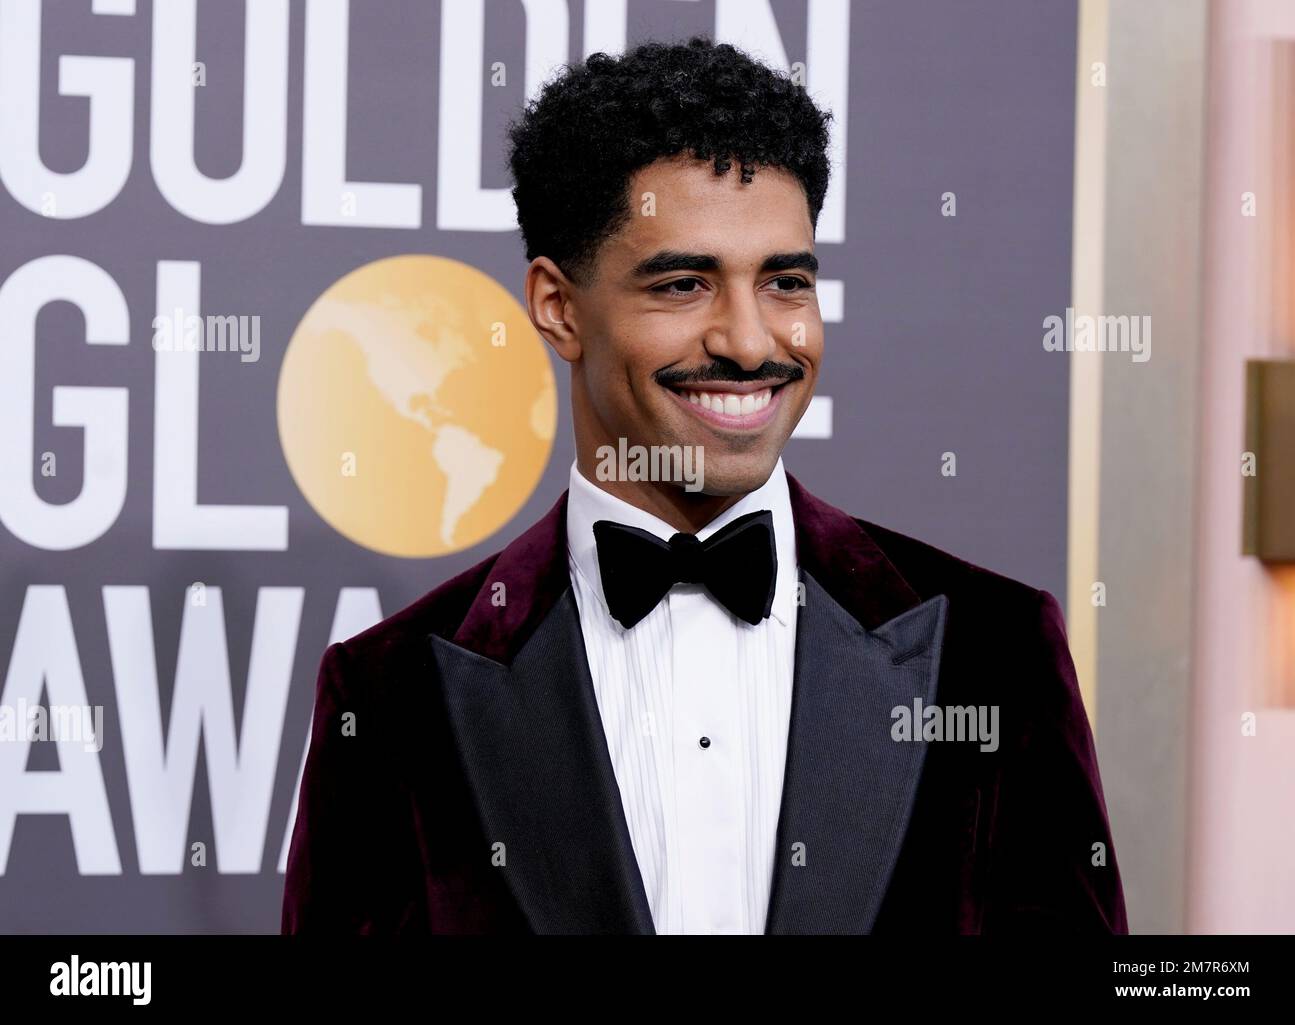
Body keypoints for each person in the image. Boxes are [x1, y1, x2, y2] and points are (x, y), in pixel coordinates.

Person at [282, 36, 1127, 935]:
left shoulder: (993, 651)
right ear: (558, 307)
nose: (752, 341)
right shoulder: (390, 695)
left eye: (786, 282)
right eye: (684, 284)